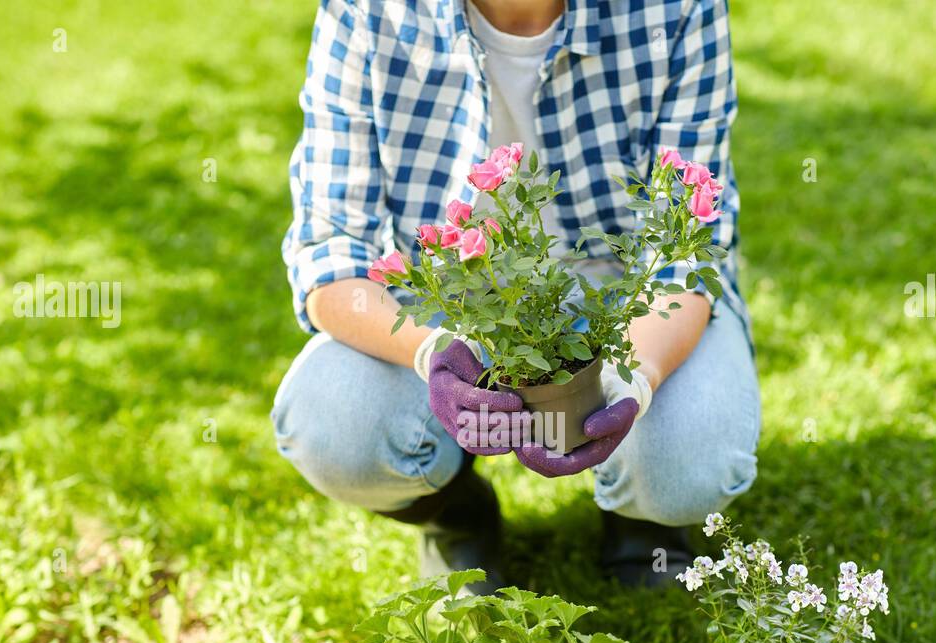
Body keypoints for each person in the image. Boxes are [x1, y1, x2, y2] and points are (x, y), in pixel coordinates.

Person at [273, 0, 759, 591]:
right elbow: (331, 253)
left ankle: (643, 522)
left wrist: (636, 380)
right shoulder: (367, 12)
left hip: (623, 298)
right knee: (334, 428)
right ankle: (455, 513)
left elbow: (683, 260)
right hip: (445, 306)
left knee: (688, 463)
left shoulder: (677, 10)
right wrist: (436, 354)